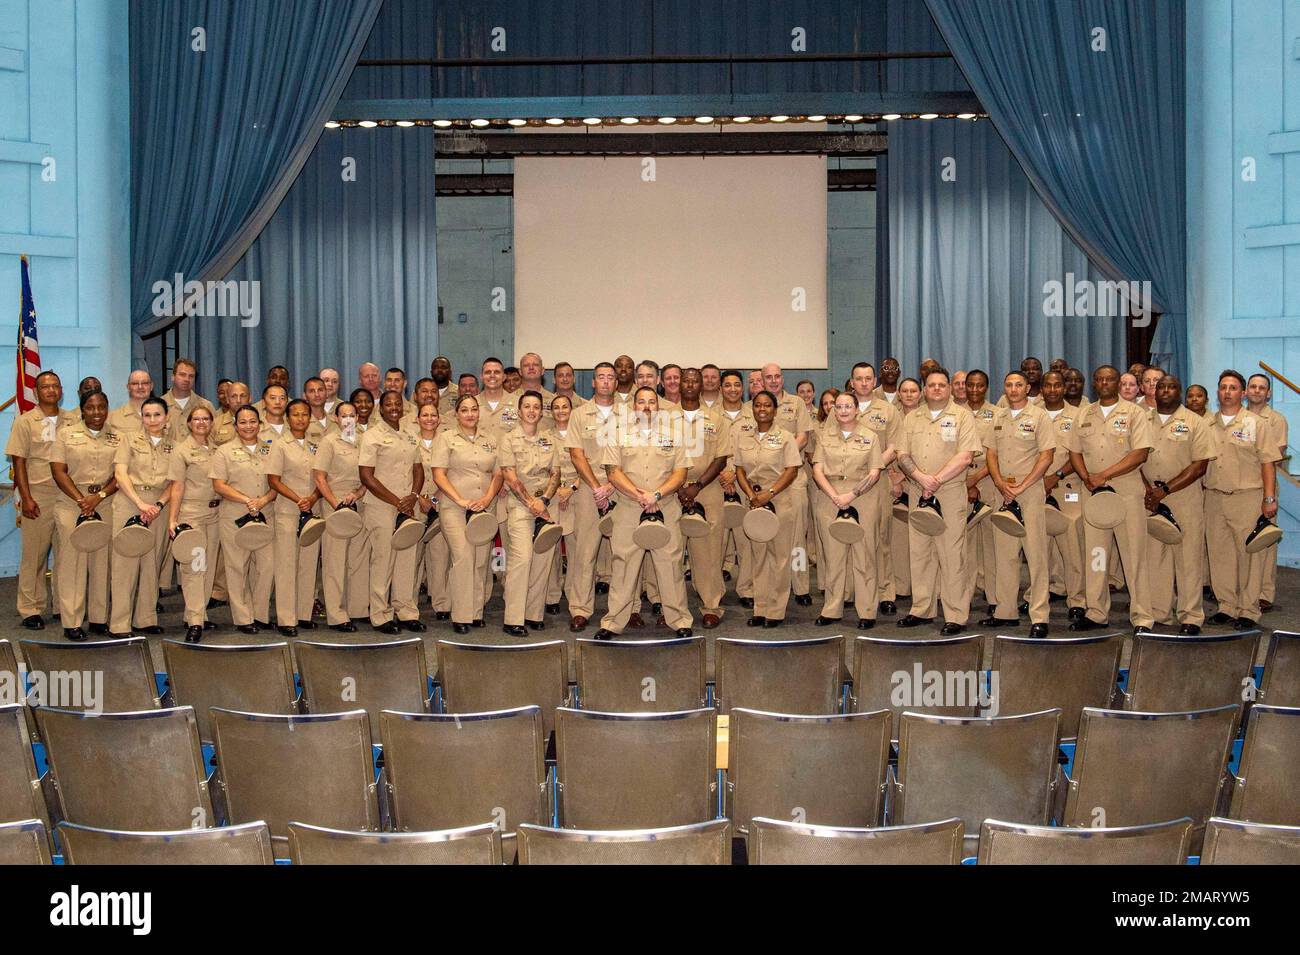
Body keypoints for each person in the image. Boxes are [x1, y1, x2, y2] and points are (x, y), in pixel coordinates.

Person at [593, 387, 693, 639]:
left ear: (658, 407)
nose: (647, 406)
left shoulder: (674, 436)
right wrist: (640, 496)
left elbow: (680, 473)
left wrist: (656, 495)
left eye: (651, 402)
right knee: (624, 566)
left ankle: (679, 620)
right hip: (628, 509)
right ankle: (613, 622)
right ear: (633, 407)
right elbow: (613, 472)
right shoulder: (617, 435)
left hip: (666, 507)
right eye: (641, 402)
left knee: (670, 566)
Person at [1065, 365, 1155, 632]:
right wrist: (1087, 478)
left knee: (1133, 556)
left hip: (1125, 492)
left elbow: (1140, 453)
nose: (1105, 383)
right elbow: (1074, 452)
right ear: (1094, 383)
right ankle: (1096, 612)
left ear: (1119, 383)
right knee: (1097, 555)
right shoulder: (1084, 414)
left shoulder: (1135, 413)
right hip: (1093, 493)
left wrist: (1103, 475)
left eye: (1110, 379)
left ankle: (1142, 617)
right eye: (1100, 379)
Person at [895, 368, 979, 635]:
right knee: (920, 553)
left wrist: (937, 480)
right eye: (931, 385)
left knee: (952, 554)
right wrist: (921, 478)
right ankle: (922, 609)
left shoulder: (962, 416)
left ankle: (955, 614)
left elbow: (965, 457)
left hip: (950, 493)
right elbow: (902, 454)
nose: (937, 389)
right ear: (923, 389)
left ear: (951, 388)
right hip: (918, 492)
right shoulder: (911, 418)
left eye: (942, 385)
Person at [1204, 370, 1280, 629]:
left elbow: (1268, 463)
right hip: (1214, 497)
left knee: (1249, 555)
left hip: (1247, 497)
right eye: (1223, 387)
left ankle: (1248, 609)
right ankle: (1227, 605)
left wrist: (1269, 498)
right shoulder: (1207, 425)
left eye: (1233, 388)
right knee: (1219, 555)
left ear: (1243, 393)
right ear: (1217, 392)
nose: (1227, 392)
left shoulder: (1256, 424)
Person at [983, 371, 1057, 637]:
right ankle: (1005, 612)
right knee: (1004, 556)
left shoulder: (1039, 417)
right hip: (1002, 492)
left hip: (1029, 493)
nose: (1013, 389)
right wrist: (1001, 483)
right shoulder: (998, 417)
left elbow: (1047, 456)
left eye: (1018, 385)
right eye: (1009, 385)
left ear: (1027, 388)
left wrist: (1022, 486)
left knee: (1036, 556)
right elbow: (991, 453)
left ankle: (1040, 616)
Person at [1142, 375, 1215, 635]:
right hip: (1149, 498)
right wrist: (1149, 490)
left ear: (1179, 392)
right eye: (1161, 386)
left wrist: (1165, 490)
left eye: (1171, 387)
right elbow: (1137, 456)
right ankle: (1160, 612)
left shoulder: (1195, 422)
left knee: (1188, 558)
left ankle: (1191, 616)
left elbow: (1199, 466)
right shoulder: (1144, 419)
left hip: (1183, 497)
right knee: (1154, 557)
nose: (1165, 391)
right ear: (1154, 391)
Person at [6, 370, 76, 628]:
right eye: (45, 387)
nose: (51, 391)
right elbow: (19, 462)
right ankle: (30, 608)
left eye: (55, 386)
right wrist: (26, 497)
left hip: (67, 495)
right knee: (34, 556)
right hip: (39, 495)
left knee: (66, 553)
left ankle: (62, 605)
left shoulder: (72, 420)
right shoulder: (26, 421)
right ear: (36, 393)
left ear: (61, 390)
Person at [431, 394, 504, 633]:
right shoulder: (446, 438)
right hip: (454, 508)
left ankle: (475, 611)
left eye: (474, 409)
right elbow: (439, 474)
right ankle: (460, 616)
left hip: (483, 508)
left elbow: (498, 474)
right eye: (465, 410)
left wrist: (487, 499)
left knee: (481, 561)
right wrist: (460, 499)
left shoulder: (490, 440)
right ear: (456, 414)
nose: (470, 414)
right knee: (463, 558)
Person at [49, 389, 118, 640]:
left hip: (105, 504)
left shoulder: (117, 437)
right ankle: (72, 622)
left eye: (101, 406)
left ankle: (99, 619)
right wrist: (81, 500)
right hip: (71, 505)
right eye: (91, 407)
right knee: (73, 564)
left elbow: (120, 475)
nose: (97, 412)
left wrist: (97, 498)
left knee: (101, 562)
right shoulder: (66, 434)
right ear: (82, 410)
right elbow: (58, 471)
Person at [811, 391, 884, 628]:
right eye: (839, 407)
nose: (843, 410)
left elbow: (874, 472)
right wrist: (834, 495)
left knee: (865, 556)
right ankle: (832, 609)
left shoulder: (870, 436)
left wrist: (851, 495)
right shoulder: (824, 436)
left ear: (857, 409)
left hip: (862, 497)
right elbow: (817, 470)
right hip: (829, 497)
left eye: (848, 406)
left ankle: (867, 611)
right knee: (833, 557)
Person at [731, 390, 802, 628]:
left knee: (780, 558)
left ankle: (776, 610)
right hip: (754, 503)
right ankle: (760, 608)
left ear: (775, 409)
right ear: (752, 409)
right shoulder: (744, 438)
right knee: (757, 558)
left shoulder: (785, 437)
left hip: (779, 501)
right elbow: (739, 469)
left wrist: (769, 493)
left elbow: (791, 470)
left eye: (767, 406)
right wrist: (752, 495)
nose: (762, 409)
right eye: (758, 405)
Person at [358, 391, 425, 635]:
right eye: (389, 404)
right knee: (383, 560)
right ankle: (380, 614)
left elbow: (418, 468)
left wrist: (414, 496)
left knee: (407, 560)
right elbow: (366, 476)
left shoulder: (409, 435)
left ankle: (406, 611)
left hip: (408, 505)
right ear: (381, 408)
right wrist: (398, 502)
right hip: (382, 506)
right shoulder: (372, 436)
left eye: (398, 403)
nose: (394, 408)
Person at [498, 391, 561, 636]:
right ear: (519, 410)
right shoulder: (509, 439)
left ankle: (533, 614)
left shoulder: (549, 440)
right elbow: (510, 476)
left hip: (546, 505)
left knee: (542, 561)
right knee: (521, 559)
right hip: (520, 506)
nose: (532, 411)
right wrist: (530, 502)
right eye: (527, 406)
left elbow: (555, 474)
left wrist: (544, 499)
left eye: (536, 407)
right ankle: (513, 618)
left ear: (541, 411)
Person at [110, 395, 173, 637]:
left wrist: (157, 505)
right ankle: (119, 624)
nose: (152, 419)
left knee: (151, 562)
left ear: (166, 417)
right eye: (147, 415)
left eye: (157, 414)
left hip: (158, 506)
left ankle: (145, 619)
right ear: (141, 417)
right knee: (124, 564)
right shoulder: (128, 440)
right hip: (130, 502)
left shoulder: (174, 445)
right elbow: (120, 473)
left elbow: (176, 482)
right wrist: (139, 503)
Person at [563, 362, 620, 631]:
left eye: (611, 377)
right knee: (585, 552)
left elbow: (634, 453)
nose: (606, 382)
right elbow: (577, 455)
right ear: (593, 383)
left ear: (616, 383)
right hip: (589, 489)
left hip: (623, 488)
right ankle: (580, 609)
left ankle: (624, 609)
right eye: (601, 377)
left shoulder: (629, 415)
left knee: (623, 553)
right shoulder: (579, 414)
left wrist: (611, 484)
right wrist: (598, 486)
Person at [210, 405, 276, 633]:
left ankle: (260, 614)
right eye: (243, 422)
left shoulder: (271, 449)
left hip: (265, 514)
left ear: (260, 423)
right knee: (237, 566)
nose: (248, 426)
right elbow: (218, 485)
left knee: (267, 566)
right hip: (235, 515)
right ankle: (243, 617)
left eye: (252, 421)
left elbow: (278, 482)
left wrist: (264, 500)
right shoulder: (224, 451)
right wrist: (247, 499)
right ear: (236, 426)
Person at [677, 368, 732, 629]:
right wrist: (677, 486)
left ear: (702, 386)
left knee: (708, 552)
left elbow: (721, 457)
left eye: (694, 380)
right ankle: (672, 608)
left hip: (707, 491)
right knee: (671, 552)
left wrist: (697, 485)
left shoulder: (716, 418)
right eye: (685, 380)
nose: (689, 384)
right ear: (679, 384)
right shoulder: (665, 418)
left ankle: (711, 605)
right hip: (671, 492)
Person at [266, 399, 323, 637]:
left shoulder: (317, 444)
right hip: (288, 511)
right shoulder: (280, 445)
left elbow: (323, 477)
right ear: (288, 419)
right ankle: (286, 618)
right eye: (296, 415)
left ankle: (304, 613)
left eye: (304, 414)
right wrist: (299, 499)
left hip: (312, 509)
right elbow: (273, 480)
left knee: (308, 565)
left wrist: (311, 498)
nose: (300, 419)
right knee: (287, 565)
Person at [759, 363, 814, 605]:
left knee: (797, 537)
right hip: (766, 482)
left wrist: (784, 453)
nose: (773, 380)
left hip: (794, 478)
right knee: (767, 535)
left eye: (777, 377)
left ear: (783, 379)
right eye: (768, 377)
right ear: (761, 380)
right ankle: (773, 585)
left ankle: (800, 587)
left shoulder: (796, 404)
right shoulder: (758, 405)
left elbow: (803, 435)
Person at [312, 401, 370, 632]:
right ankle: (336, 614)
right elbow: (319, 477)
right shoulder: (328, 442)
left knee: (358, 559)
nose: (348, 420)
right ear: (335, 418)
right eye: (343, 416)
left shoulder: (365, 440)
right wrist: (334, 502)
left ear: (358, 418)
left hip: (359, 504)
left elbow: (369, 474)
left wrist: (357, 494)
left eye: (352, 415)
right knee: (335, 561)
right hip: (334, 505)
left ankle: (357, 609)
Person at [165, 404, 220, 642]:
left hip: (215, 515)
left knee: (207, 569)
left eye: (205, 419)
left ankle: (198, 614)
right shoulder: (181, 451)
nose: (201, 423)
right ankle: (195, 622)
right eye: (196, 419)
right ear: (188, 423)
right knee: (194, 569)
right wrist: (173, 520)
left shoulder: (217, 449)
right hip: (192, 515)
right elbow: (176, 486)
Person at [1040, 371, 1087, 618]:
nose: (1053, 389)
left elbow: (1078, 454)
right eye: (1048, 385)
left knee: (1072, 549)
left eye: (1058, 385)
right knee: (1039, 550)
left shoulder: (1078, 416)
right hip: (1035, 489)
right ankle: (1036, 598)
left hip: (1067, 488)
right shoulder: (1031, 412)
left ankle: (1077, 600)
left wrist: (1055, 476)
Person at [1246, 373, 1288, 613]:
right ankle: (1244, 591)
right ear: (1246, 391)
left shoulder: (1276, 420)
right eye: (1253, 386)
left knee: (1265, 539)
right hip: (1240, 486)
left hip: (1265, 485)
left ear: (1268, 393)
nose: (1257, 391)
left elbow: (1276, 453)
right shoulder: (1236, 418)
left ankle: (1264, 593)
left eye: (1262, 388)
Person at [962, 370, 999, 613]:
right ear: (965, 387)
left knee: (993, 545)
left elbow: (1000, 452)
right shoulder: (954, 413)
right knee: (963, 546)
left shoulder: (998, 414)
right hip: (960, 485)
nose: (975, 389)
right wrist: (967, 481)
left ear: (986, 387)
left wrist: (977, 478)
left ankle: (995, 598)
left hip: (989, 482)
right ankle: (962, 598)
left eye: (979, 385)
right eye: (971, 385)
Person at [412, 401, 451, 621]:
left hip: (440, 504)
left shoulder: (447, 442)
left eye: (433, 415)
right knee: (413, 558)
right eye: (424, 415)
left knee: (440, 557)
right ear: (417, 419)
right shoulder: (409, 441)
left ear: (439, 419)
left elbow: (451, 473)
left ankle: (441, 604)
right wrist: (419, 498)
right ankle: (410, 605)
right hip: (414, 506)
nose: (429, 419)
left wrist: (434, 499)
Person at [544, 393, 581, 616]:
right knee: (552, 549)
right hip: (552, 496)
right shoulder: (544, 436)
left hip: (576, 496)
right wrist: (556, 490)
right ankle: (552, 595)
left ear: (571, 410)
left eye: (564, 407)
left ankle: (575, 596)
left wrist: (571, 489)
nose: (560, 411)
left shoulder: (579, 436)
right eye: (556, 407)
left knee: (577, 550)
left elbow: (589, 466)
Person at [161, 358, 215, 444]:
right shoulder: (159, 406)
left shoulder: (206, 406)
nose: (187, 379)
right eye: (182, 375)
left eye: (191, 376)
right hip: (167, 456)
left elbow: (213, 438)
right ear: (173, 377)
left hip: (199, 455)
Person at [478, 357, 519, 437]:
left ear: (504, 377)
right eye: (488, 372)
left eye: (497, 372)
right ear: (481, 377)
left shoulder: (519, 404)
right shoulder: (471, 404)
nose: (492, 375)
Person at [108, 369, 153, 433]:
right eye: (135, 383)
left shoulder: (165, 416)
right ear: (128, 387)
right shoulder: (113, 418)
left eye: (145, 383)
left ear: (151, 386)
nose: (140, 387)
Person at [211, 381, 249, 446]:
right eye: (234, 396)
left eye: (242, 396)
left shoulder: (260, 423)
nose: (238, 400)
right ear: (227, 400)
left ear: (250, 398)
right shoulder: (215, 425)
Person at [303, 376, 333, 441]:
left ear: (327, 394)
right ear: (305, 396)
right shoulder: (301, 422)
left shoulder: (336, 422)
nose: (317, 394)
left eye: (320, 390)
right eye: (312, 391)